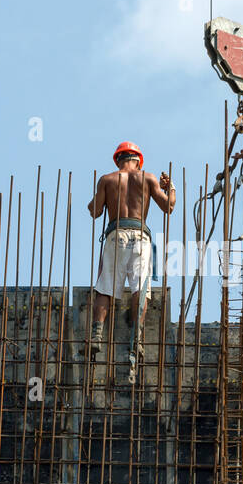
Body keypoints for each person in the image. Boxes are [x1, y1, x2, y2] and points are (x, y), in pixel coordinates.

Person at [87, 141, 175, 363]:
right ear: (138, 160)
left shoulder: (107, 180)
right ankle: (136, 338)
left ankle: (97, 335)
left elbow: (95, 212)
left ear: (118, 160)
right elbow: (169, 207)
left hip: (115, 236)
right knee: (140, 288)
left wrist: (98, 198)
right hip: (140, 238)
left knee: (105, 288)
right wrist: (170, 188)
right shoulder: (148, 178)